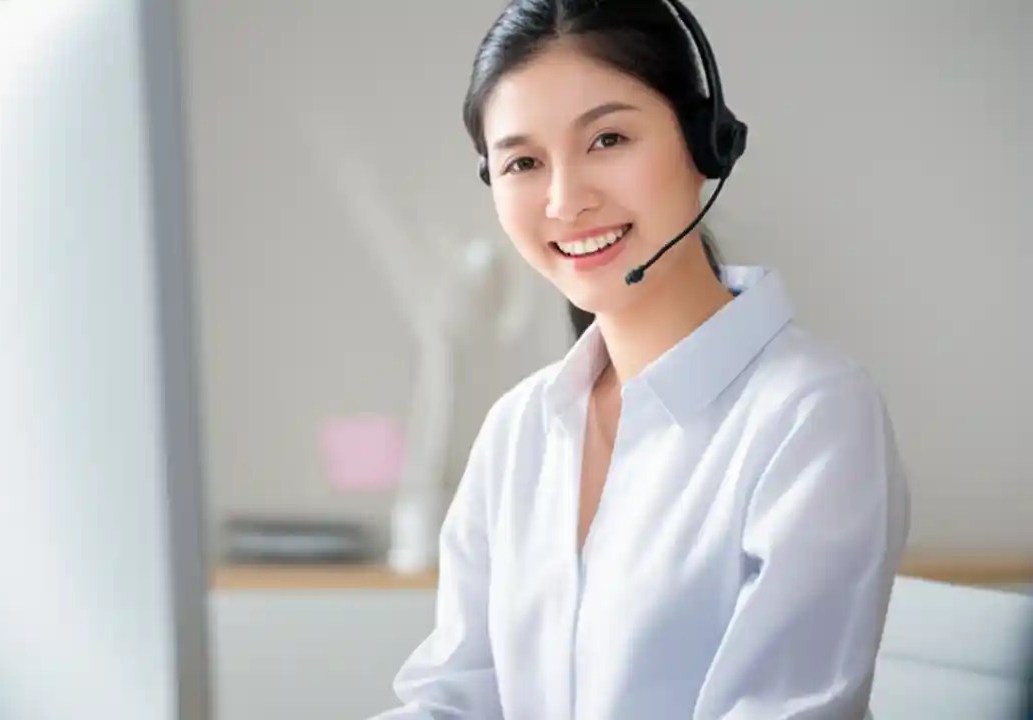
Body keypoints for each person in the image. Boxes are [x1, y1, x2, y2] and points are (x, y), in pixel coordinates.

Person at [372, 1, 910, 718]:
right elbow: (456, 699)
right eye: (524, 162)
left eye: (608, 139)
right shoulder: (518, 430)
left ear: (705, 144)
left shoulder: (811, 415)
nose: (566, 202)